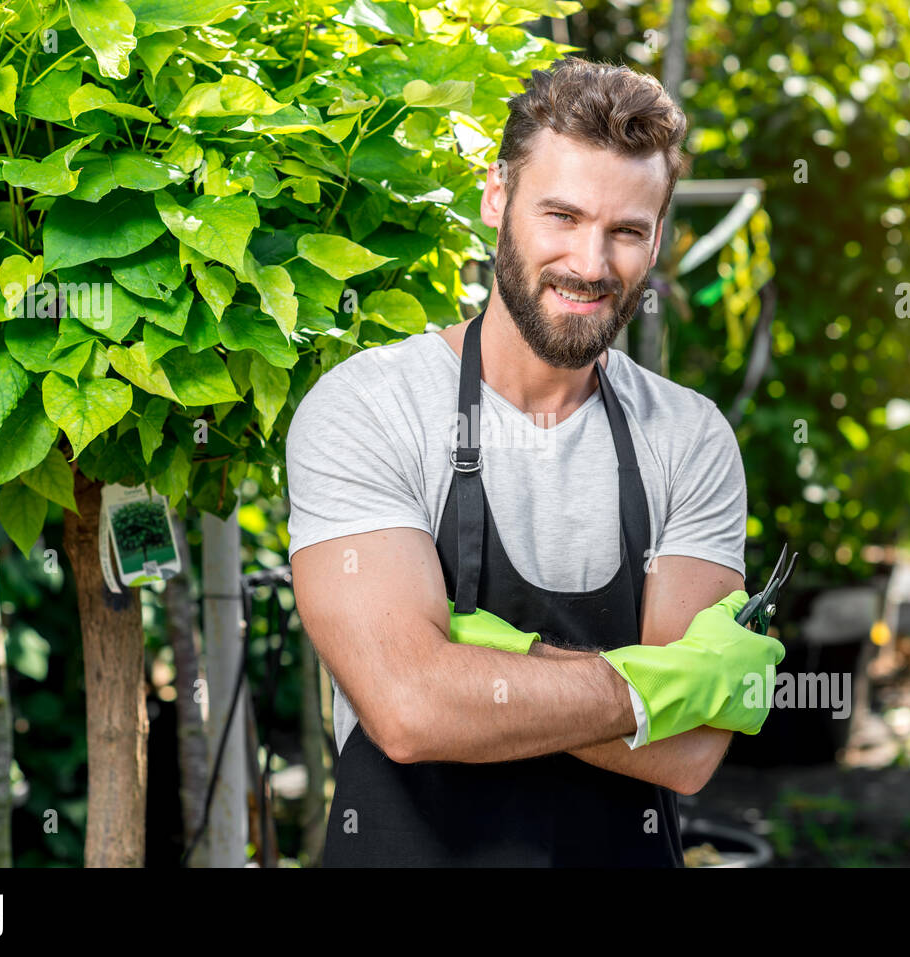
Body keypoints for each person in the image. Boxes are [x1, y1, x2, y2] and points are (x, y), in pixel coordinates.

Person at [286, 57, 783, 867]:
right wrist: (670, 683)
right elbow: (410, 707)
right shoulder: (368, 408)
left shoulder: (689, 438)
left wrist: (475, 654)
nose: (591, 264)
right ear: (497, 198)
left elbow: (688, 752)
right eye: (562, 215)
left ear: (657, 236)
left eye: (626, 230)